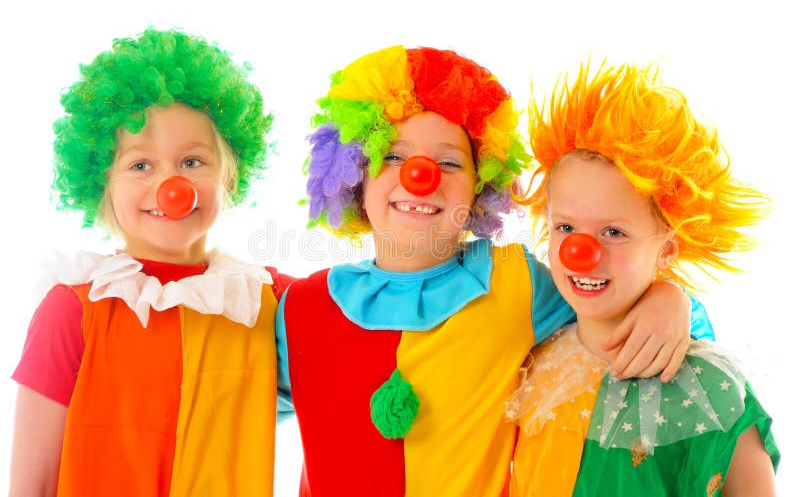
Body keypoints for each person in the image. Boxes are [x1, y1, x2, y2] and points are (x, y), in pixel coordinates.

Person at [276, 45, 712, 495]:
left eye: (449, 163)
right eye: (392, 157)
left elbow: (608, 301)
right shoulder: (301, 307)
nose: (419, 176)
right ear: (354, 175)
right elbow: (236, 399)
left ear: (482, 185)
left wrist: (669, 299)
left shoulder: (515, 283)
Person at [9, 28, 285, 496]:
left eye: (193, 162)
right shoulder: (74, 311)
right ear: (102, 183)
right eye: (140, 166)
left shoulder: (264, 300)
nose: (171, 188)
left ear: (230, 176)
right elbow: (29, 484)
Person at [506, 62, 780, 496]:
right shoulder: (532, 362)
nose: (581, 253)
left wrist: (673, 296)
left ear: (667, 248)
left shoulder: (712, 391)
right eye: (565, 228)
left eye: (613, 232)